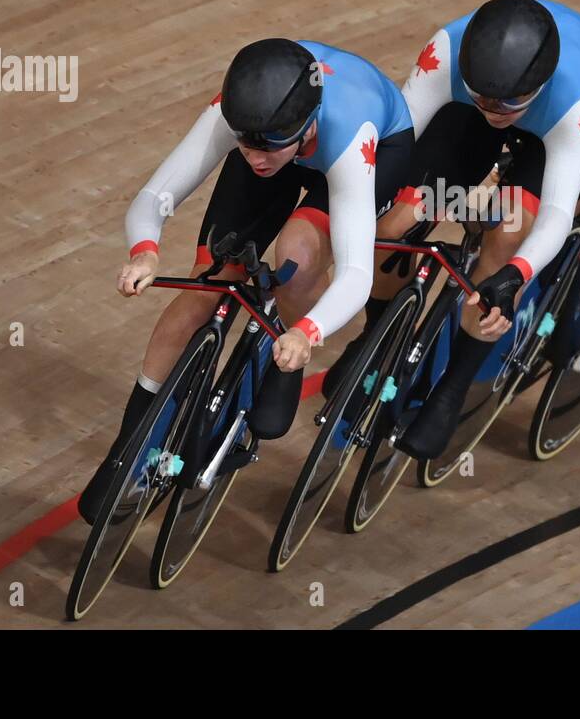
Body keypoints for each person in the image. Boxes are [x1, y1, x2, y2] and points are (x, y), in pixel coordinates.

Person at [78, 38, 414, 524]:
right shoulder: (242, 119)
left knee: (297, 253)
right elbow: (156, 195)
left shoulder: (349, 134)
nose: (254, 157)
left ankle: (287, 356)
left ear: (304, 128)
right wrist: (144, 252)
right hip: (289, 136)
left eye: (267, 147)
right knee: (207, 284)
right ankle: (129, 445)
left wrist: (307, 332)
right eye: (244, 144)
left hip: (377, 144)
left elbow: (358, 271)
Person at [325, 0, 580, 460]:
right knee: (398, 221)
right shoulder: (446, 54)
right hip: (468, 115)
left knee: (508, 231)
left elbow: (556, 214)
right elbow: (396, 143)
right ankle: (375, 334)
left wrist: (515, 275)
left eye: (506, 101)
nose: (494, 107)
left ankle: (454, 384)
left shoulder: (575, 97)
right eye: (484, 95)